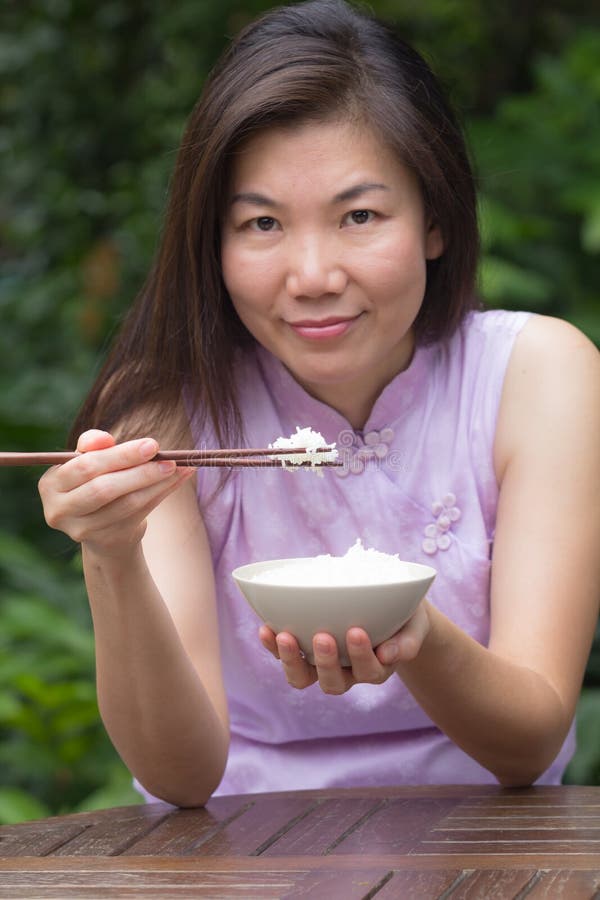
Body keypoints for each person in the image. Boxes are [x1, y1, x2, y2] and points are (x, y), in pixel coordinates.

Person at [39, 0, 600, 806]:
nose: (311, 275)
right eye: (263, 223)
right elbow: (180, 776)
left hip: (491, 846)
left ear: (436, 218)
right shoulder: (168, 410)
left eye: (359, 216)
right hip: (238, 849)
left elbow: (531, 740)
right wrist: (112, 555)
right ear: (214, 241)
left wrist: (419, 635)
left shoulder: (536, 374)